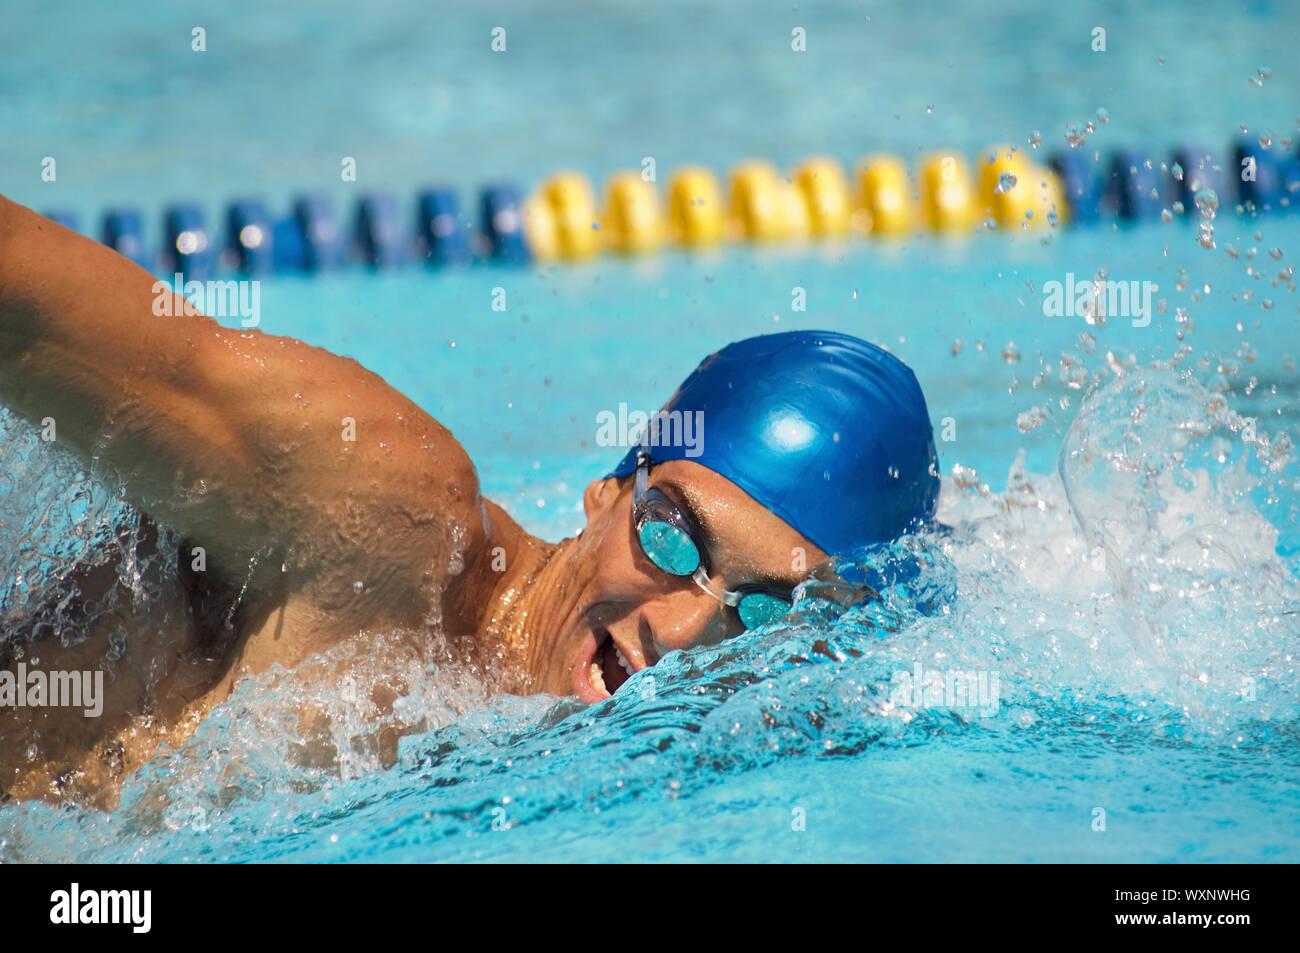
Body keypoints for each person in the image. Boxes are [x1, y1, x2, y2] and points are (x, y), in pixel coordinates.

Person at [0, 194, 939, 803]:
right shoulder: (386, 516)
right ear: (611, 489)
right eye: (676, 540)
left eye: (762, 612)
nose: (685, 631)